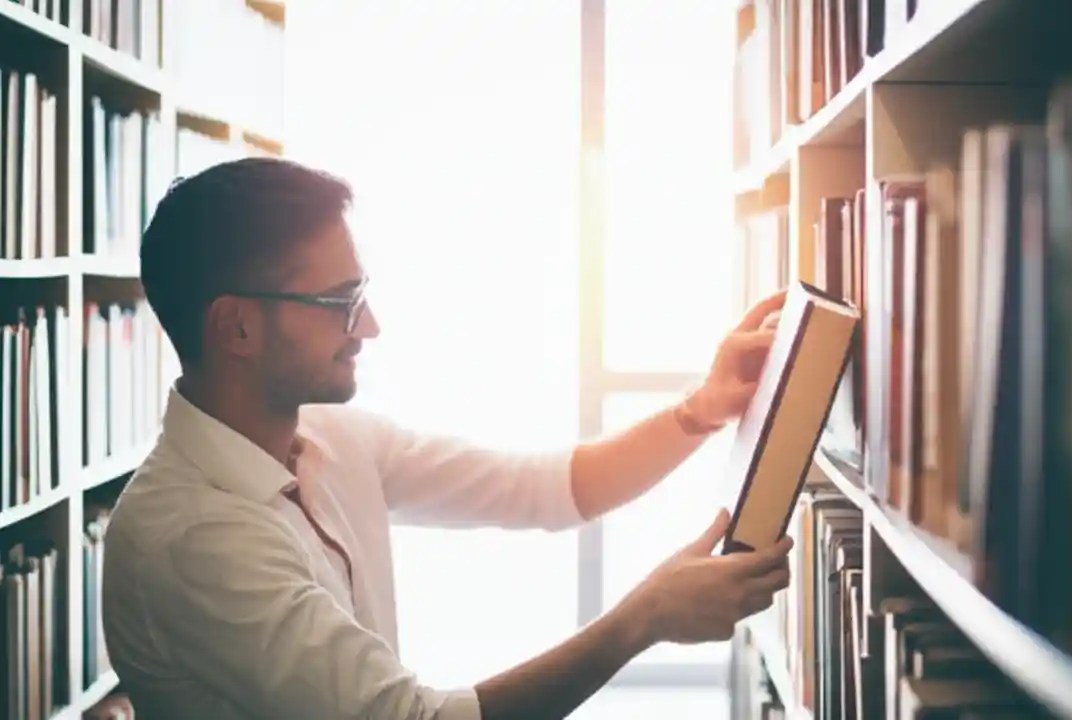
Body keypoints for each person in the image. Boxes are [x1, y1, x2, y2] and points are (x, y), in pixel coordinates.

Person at [102, 157, 792, 720]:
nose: (368, 325)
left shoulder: (327, 435)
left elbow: (545, 490)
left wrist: (702, 409)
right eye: (340, 302)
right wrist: (644, 618)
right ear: (238, 329)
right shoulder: (192, 538)